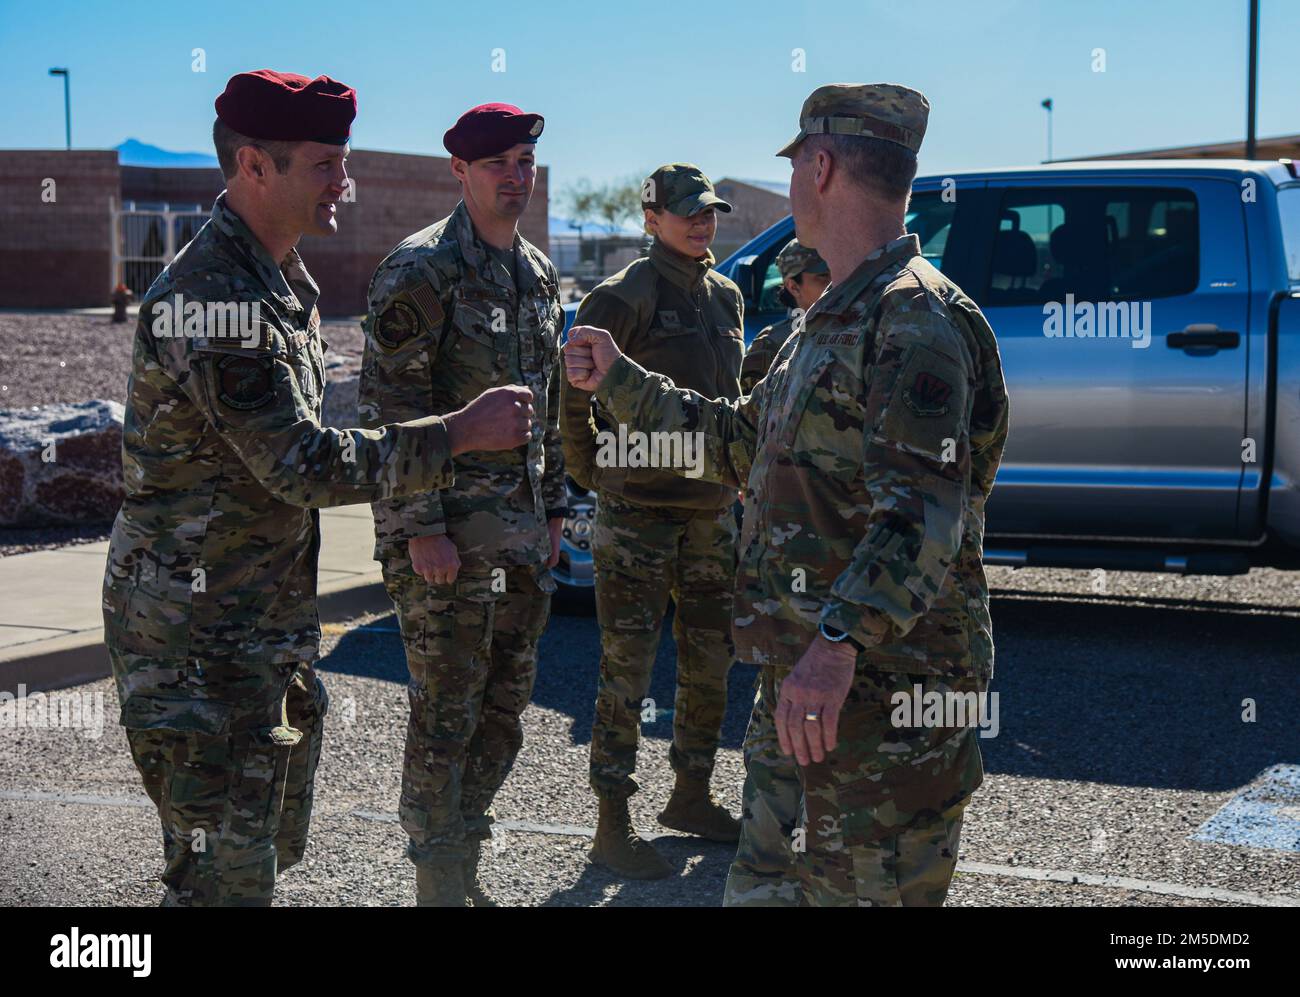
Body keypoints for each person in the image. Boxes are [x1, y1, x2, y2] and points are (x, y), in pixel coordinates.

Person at [564, 83, 1010, 906]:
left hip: (880, 709)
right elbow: (741, 442)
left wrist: (836, 641)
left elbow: (922, 515)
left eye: (798, 162)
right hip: (802, 694)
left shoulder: (913, 319)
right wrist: (620, 380)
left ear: (823, 166)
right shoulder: (828, 319)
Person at [102, 70, 534, 907]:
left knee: (257, 855)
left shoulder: (278, 281)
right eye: (327, 165)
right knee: (221, 879)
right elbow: (297, 463)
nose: (347, 183)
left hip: (256, 623)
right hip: (196, 636)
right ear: (255, 166)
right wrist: (457, 432)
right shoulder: (211, 298)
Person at [358, 102, 566, 906]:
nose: (516, 177)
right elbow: (387, 408)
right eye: (498, 165)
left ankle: (464, 852)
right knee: (446, 712)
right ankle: (436, 877)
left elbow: (548, 406)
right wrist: (419, 529)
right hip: (446, 540)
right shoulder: (420, 271)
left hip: (519, 536)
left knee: (504, 708)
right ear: (460, 171)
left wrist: (555, 510)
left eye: (525, 162)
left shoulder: (537, 273)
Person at [560, 164, 744, 879]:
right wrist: (588, 471)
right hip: (637, 511)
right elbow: (573, 389)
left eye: (711, 212)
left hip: (709, 511)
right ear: (652, 218)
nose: (703, 223)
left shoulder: (724, 293)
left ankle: (692, 795)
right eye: (689, 213)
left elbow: (734, 393)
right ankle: (612, 824)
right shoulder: (624, 293)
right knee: (626, 669)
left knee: (709, 662)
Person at [738, 239, 829, 393]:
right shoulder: (771, 343)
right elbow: (749, 410)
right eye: (823, 276)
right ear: (793, 287)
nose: (832, 282)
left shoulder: (857, 326)